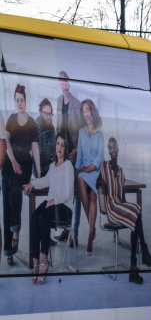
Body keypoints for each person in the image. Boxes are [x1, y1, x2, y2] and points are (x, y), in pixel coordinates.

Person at [99, 137, 151, 284]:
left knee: (136, 211)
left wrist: (127, 209)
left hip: (119, 206)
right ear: (109, 151)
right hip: (112, 210)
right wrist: (101, 185)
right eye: (110, 148)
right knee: (136, 210)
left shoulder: (121, 172)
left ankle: (134, 269)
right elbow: (96, 181)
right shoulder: (103, 167)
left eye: (114, 147)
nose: (112, 150)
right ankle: (143, 254)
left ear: (118, 148)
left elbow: (122, 198)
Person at [23, 134, 73, 284]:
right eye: (58, 144)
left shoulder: (68, 166)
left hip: (64, 208)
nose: (59, 147)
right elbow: (45, 181)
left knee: (43, 218)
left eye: (62, 145)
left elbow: (68, 192)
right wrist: (32, 184)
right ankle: (36, 262)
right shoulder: (52, 166)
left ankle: (45, 262)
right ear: (55, 146)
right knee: (34, 217)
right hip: (52, 204)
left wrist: (54, 201)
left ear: (65, 148)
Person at [3, 85, 41, 264]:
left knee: (14, 190)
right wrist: (12, 161)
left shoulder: (32, 122)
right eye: (17, 100)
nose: (20, 103)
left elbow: (35, 149)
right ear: (15, 101)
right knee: (6, 198)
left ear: (26, 101)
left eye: (22, 100)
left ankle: (16, 231)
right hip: (10, 162)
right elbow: (7, 142)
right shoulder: (10, 118)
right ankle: (9, 251)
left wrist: (39, 173)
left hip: (24, 163)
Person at [54, 72, 83, 244]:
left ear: (69, 85)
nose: (63, 86)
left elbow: (83, 132)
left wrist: (78, 150)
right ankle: (66, 230)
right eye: (61, 83)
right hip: (62, 154)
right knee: (64, 194)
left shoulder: (77, 104)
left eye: (65, 83)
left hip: (74, 154)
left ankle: (75, 233)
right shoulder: (58, 101)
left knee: (76, 195)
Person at [75, 99, 104, 256]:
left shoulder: (100, 133)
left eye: (88, 110)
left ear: (93, 111)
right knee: (80, 180)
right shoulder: (81, 133)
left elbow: (99, 158)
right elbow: (79, 158)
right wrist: (77, 172)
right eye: (84, 111)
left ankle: (89, 237)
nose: (86, 113)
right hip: (84, 172)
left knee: (93, 195)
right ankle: (92, 230)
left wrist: (87, 168)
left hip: (96, 171)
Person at [36, 99, 56, 177]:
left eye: (50, 114)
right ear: (41, 112)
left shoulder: (52, 128)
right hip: (38, 171)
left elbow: (54, 150)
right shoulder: (36, 128)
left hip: (49, 167)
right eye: (46, 114)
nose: (48, 117)